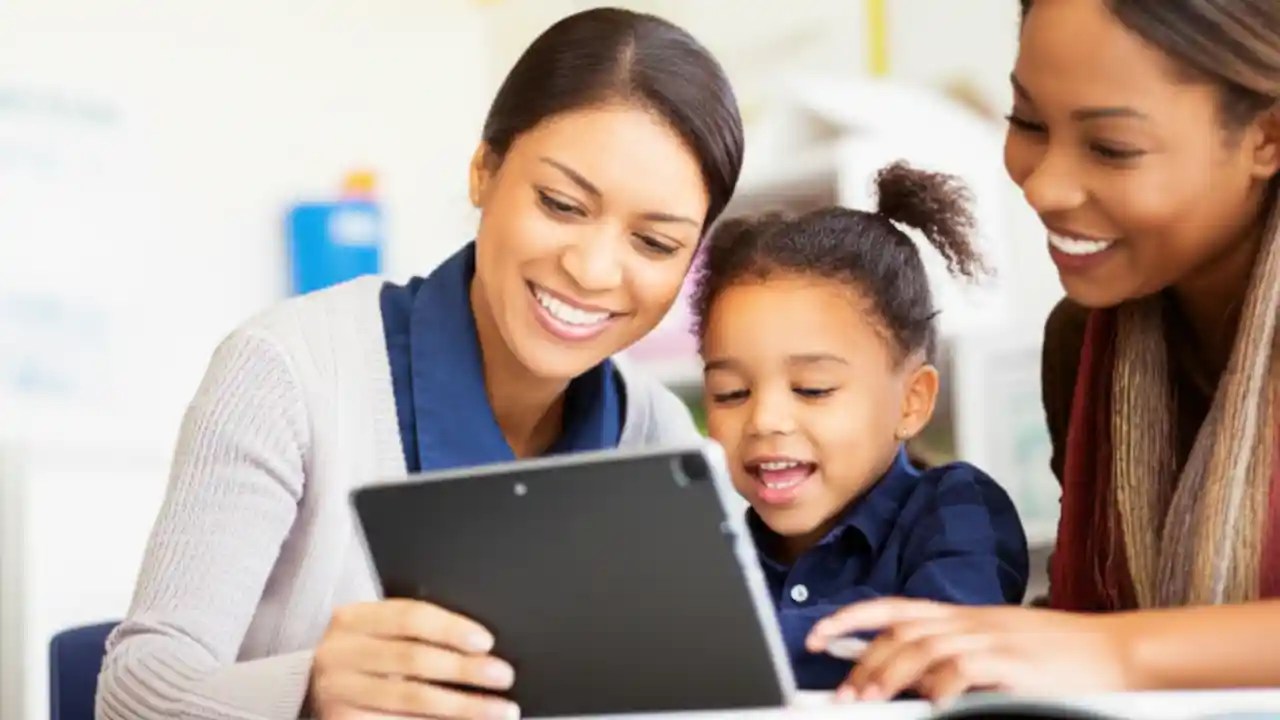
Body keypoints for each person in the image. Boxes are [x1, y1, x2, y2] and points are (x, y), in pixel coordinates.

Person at [96, 8, 745, 720]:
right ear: (483, 172)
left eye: (654, 243)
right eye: (561, 204)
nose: (592, 270)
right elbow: (131, 694)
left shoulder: (656, 436)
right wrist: (308, 691)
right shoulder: (289, 370)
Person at [804, 0, 1280, 705]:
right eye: (1028, 122)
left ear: (1267, 139)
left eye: (1112, 147)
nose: (1044, 185)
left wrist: (1113, 652)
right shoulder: (1084, 343)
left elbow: (1101, 644)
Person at [690, 162, 1030, 691]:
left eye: (813, 389)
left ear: (911, 403)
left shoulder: (957, 508)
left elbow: (940, 640)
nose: (765, 420)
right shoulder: (714, 559)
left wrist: (711, 649)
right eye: (730, 393)